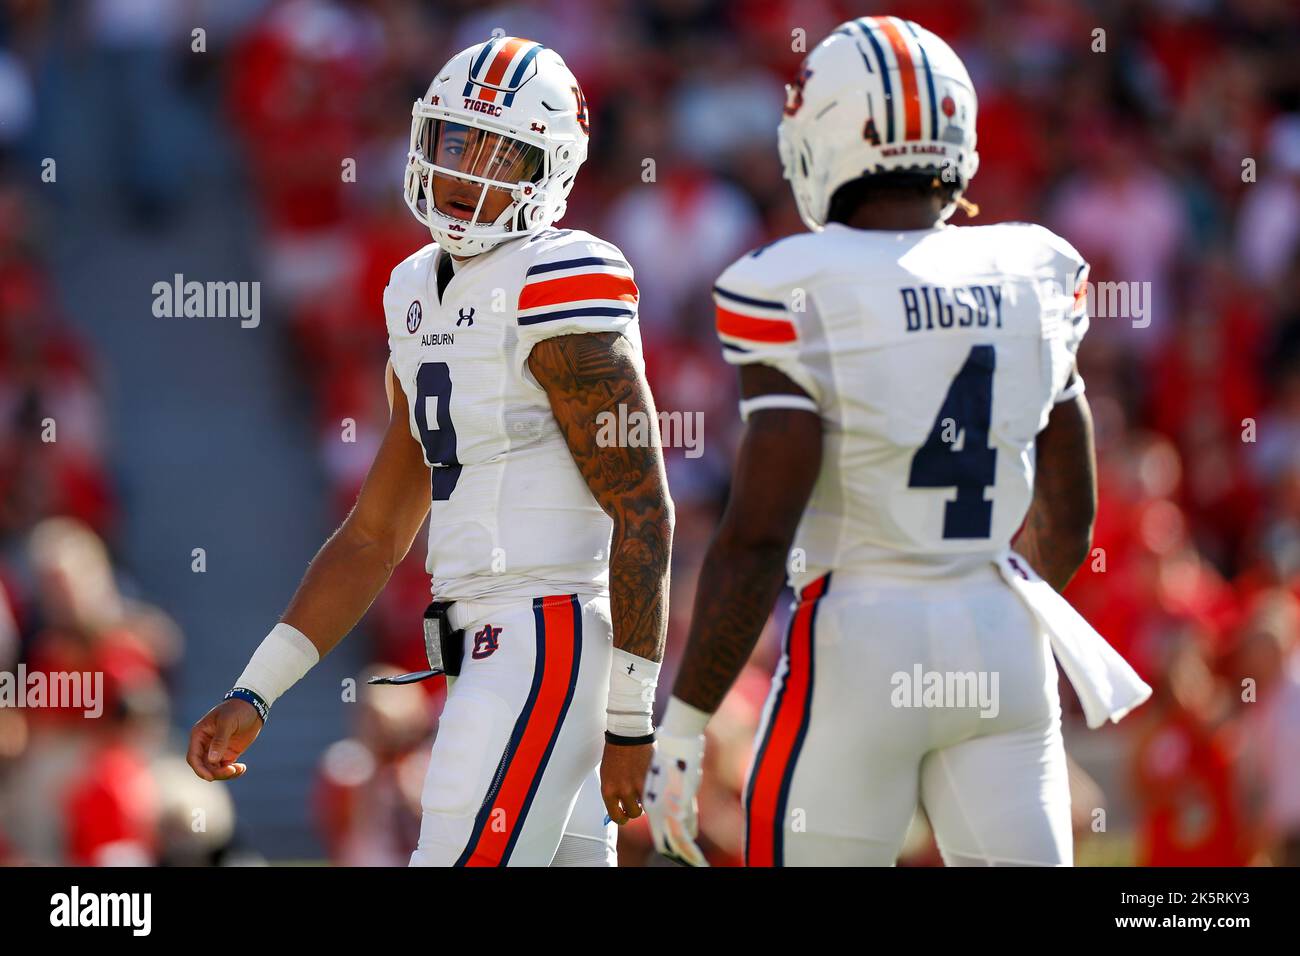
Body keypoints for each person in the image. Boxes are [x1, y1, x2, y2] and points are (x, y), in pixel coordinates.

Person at [643, 16, 1147, 867]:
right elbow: (1071, 517)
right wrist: (975, 604)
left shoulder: (792, 283)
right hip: (1003, 637)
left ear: (828, 137)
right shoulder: (1032, 268)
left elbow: (761, 533)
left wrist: (686, 721)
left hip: (859, 639)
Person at [187, 37, 674, 868]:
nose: (466, 169)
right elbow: (377, 532)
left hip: (548, 633)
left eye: (498, 149)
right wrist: (257, 686)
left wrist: (631, 714)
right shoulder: (415, 288)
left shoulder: (561, 275)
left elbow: (644, 509)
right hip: (487, 643)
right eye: (455, 140)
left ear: (549, 167)